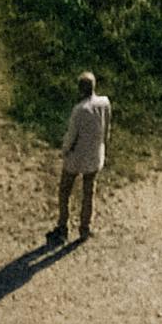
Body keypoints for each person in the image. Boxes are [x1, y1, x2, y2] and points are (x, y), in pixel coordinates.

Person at [57, 77, 112, 245]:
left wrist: (64, 150)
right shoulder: (104, 103)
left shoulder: (79, 110)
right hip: (95, 155)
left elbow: (72, 135)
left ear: (80, 89)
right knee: (89, 193)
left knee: (65, 191)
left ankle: (62, 227)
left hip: (77, 156)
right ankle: (84, 228)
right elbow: (107, 127)